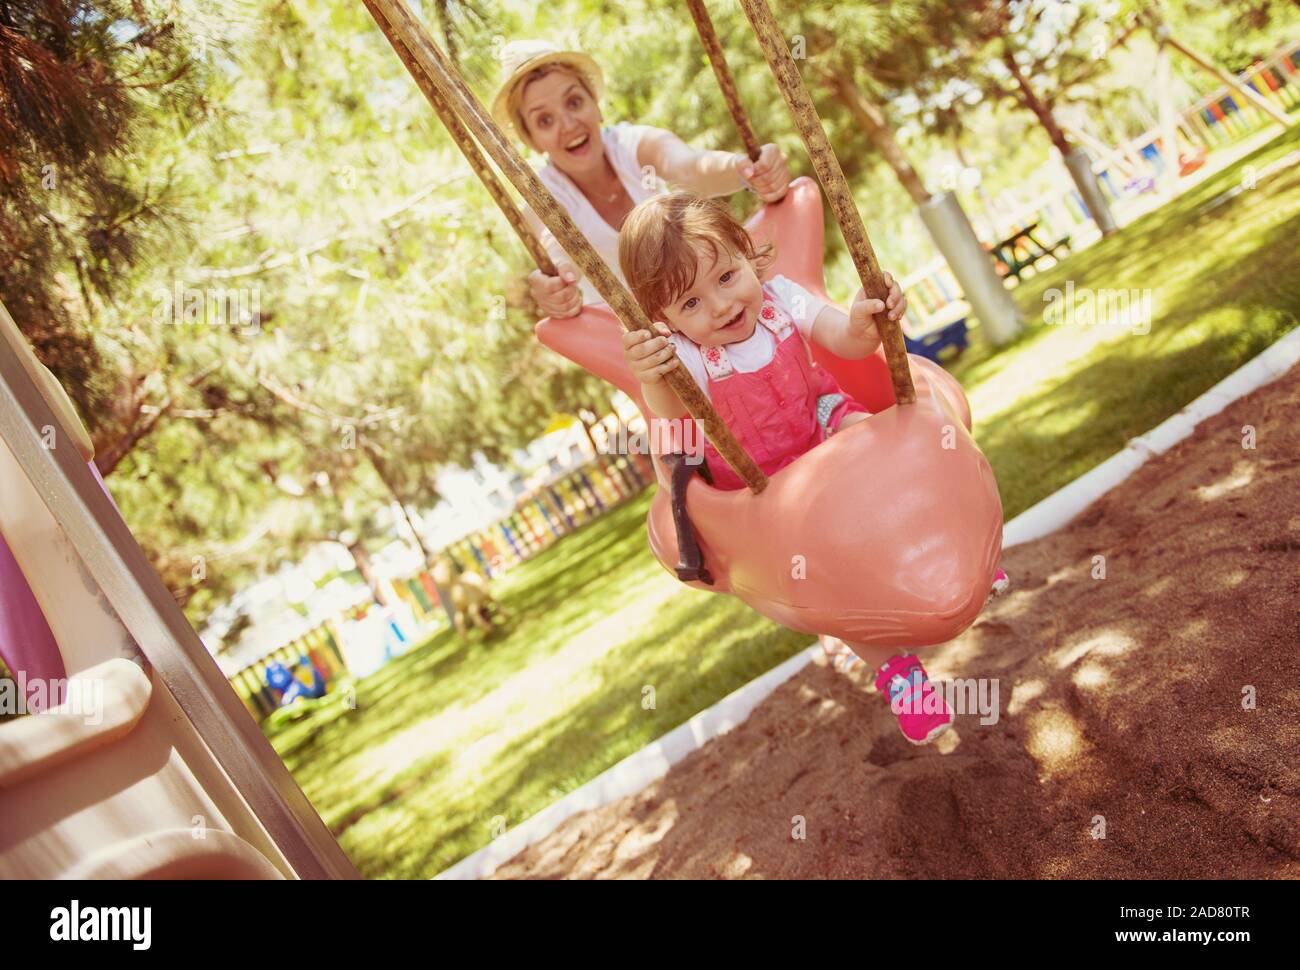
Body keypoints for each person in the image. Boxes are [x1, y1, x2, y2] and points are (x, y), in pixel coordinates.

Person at [616, 191, 961, 745]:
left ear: (746, 253)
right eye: (691, 304)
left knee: (886, 448)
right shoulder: (684, 360)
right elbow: (669, 417)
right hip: (769, 488)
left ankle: (950, 551)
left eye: (726, 278)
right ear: (666, 321)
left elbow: (844, 339)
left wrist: (864, 318)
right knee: (835, 587)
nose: (721, 306)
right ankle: (901, 677)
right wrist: (652, 375)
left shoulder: (780, 300)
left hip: (821, 426)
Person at [490, 40, 792, 318]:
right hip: (639, 342)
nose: (568, 125)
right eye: (545, 120)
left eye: (574, 102)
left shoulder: (633, 145)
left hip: (699, 311)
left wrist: (744, 169)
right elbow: (557, 251)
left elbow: (689, 168)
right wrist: (556, 286)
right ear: (532, 139)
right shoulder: (542, 198)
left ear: (595, 104)